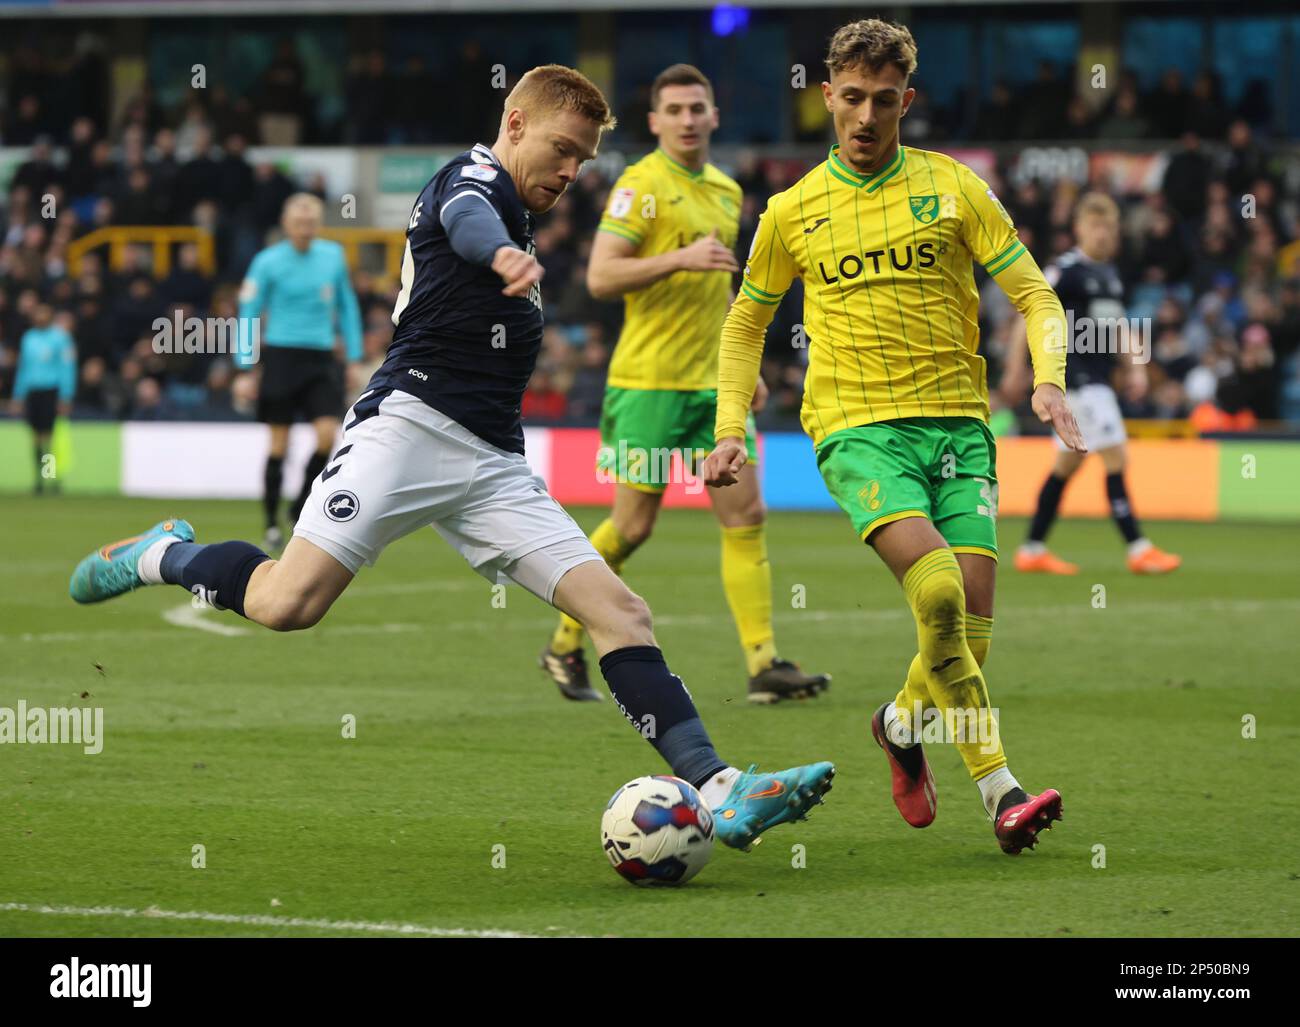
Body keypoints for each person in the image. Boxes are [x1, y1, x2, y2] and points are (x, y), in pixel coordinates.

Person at [69, 65, 834, 853]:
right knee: (286, 604)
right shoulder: (470, 181)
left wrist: (513, 253)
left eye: (583, 160)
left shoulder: (525, 216)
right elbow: (469, 217)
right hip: (407, 431)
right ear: (514, 123)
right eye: (562, 148)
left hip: (493, 462)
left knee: (621, 611)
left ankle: (719, 787)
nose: (571, 172)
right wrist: (501, 254)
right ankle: (161, 553)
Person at [703, 20, 1075, 855]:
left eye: (883, 101)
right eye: (851, 98)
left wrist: (1048, 376)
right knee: (938, 592)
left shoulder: (955, 189)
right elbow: (744, 325)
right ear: (827, 95)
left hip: (959, 429)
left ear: (907, 101)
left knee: (971, 623)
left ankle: (902, 724)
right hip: (858, 430)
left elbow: (1037, 296)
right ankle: (1000, 789)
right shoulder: (793, 212)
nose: (865, 117)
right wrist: (733, 427)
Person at [541, 63, 829, 704]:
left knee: (746, 514)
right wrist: (680, 257)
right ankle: (563, 645)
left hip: (711, 389)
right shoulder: (640, 187)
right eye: (674, 110)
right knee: (634, 527)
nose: (688, 119)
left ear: (714, 114)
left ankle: (763, 664)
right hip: (648, 383)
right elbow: (600, 278)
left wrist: (741, 368)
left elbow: (723, 285)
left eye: (698, 108)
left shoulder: (727, 191)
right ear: (655, 122)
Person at [1006, 192, 1181, 575]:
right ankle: (1139, 549)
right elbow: (1029, 312)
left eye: (1109, 227)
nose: (1103, 234)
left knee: (1065, 466)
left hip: (1097, 379)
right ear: (1079, 228)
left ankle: (1033, 549)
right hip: (1075, 380)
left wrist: (1135, 367)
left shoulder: (1109, 275)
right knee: (1117, 456)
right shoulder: (1064, 270)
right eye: (1095, 226)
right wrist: (1016, 367)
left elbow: (1117, 326)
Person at [237, 193, 363, 550]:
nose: (305, 229)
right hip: (280, 357)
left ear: (319, 224)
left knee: (327, 436)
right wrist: (245, 366)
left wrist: (353, 357)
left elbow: (347, 307)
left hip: (320, 357)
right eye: (299, 222)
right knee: (279, 442)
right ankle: (270, 522)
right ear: (286, 224)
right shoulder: (267, 262)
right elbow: (248, 310)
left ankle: (298, 508)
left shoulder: (333, 257)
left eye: (311, 222)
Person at [9, 302, 76, 494]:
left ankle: (51, 478)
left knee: (49, 438)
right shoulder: (28, 338)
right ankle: (39, 479)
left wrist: (66, 396)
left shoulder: (60, 338)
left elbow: (67, 368)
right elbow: (23, 368)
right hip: (33, 391)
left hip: (51, 391)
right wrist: (18, 395)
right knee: (36, 438)